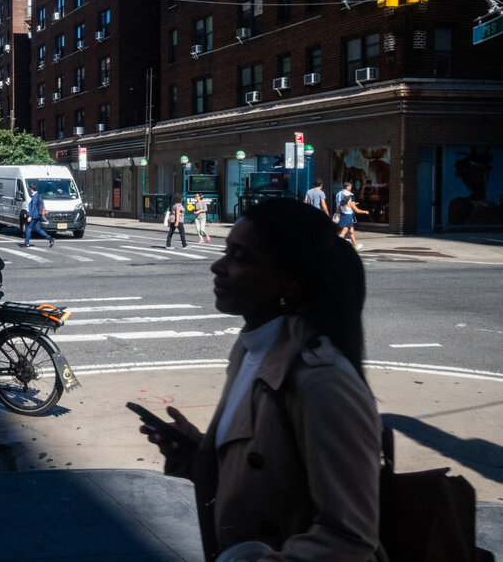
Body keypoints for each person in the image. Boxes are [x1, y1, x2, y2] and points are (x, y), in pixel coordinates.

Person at [141, 197, 381, 560]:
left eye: (240, 257)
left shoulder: (322, 380)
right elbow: (269, 469)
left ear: (290, 284)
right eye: (226, 252)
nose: (217, 267)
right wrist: (199, 452)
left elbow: (350, 537)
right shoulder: (250, 351)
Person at [22, 183, 54, 248]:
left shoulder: (35, 196)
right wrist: (27, 214)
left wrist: (30, 216)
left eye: (31, 188)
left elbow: (33, 207)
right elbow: (35, 207)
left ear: (32, 189)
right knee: (38, 229)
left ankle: (26, 243)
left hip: (34, 216)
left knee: (28, 228)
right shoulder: (37, 195)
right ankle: (50, 238)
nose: (30, 189)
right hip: (38, 215)